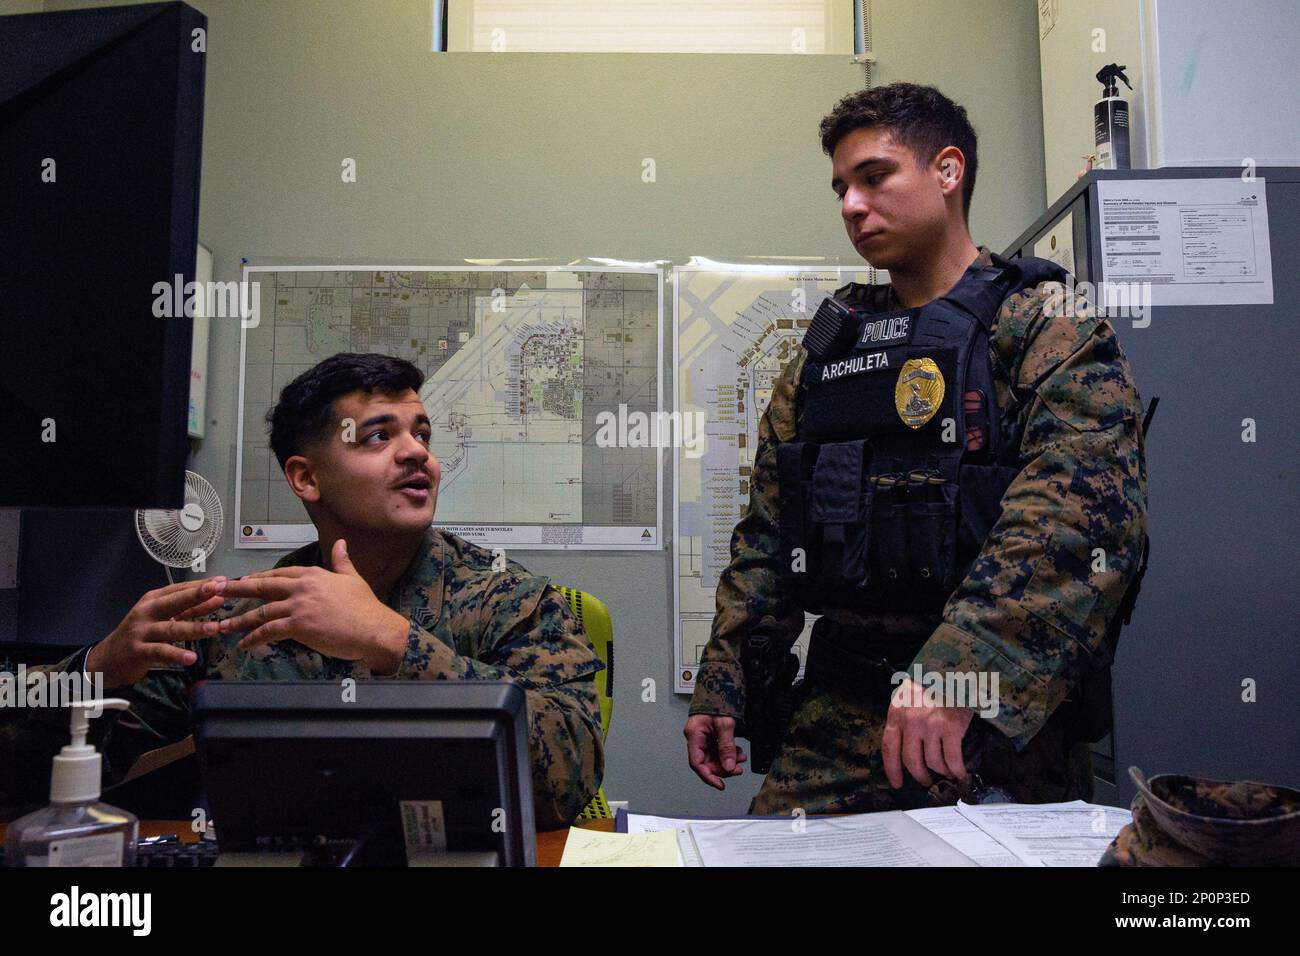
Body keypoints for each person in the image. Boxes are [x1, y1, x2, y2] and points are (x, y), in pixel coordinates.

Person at [684, 83, 1148, 814]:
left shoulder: (1045, 325)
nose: (850, 205)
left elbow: (1080, 523)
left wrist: (959, 672)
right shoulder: (825, 357)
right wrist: (727, 682)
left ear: (947, 170)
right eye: (840, 187)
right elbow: (771, 537)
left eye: (874, 176)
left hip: (990, 727)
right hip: (837, 717)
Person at [0, 353, 603, 828]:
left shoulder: (518, 601)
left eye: (421, 432)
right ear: (305, 477)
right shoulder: (238, 615)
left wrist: (392, 640)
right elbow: (24, 777)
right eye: (377, 436)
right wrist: (98, 669)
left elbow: (566, 782)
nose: (418, 451)